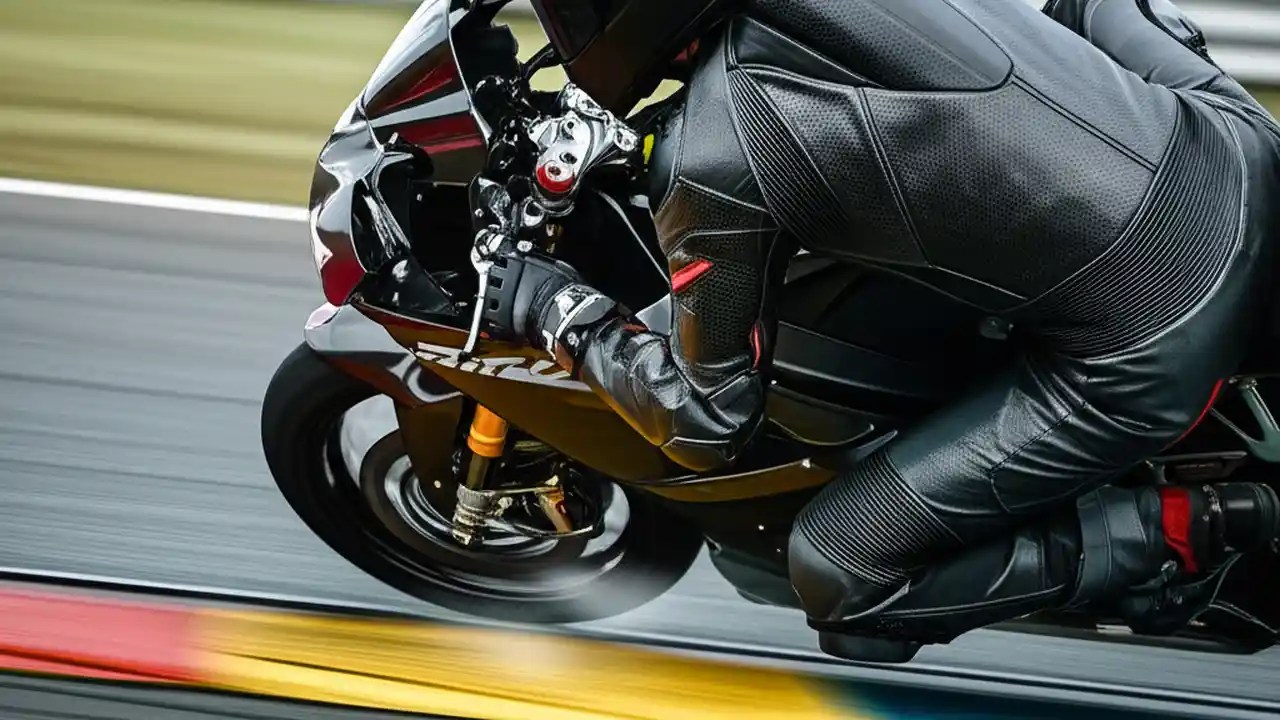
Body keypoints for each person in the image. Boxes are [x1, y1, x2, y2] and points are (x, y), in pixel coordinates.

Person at [485, 0, 1280, 662]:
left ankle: (1195, 526)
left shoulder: (713, 155)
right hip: (1241, 147)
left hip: (1154, 332)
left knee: (842, 574)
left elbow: (708, 419)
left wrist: (559, 313)